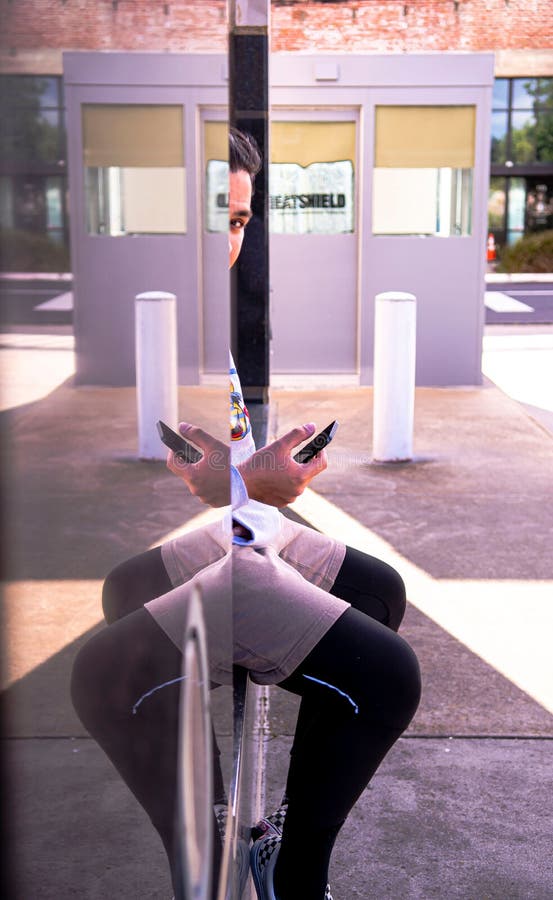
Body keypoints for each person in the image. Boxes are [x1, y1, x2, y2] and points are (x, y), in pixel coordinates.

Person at [71, 128, 421, 900]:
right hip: (244, 520)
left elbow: (224, 464)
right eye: (211, 218)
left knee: (378, 592)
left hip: (246, 520)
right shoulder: (158, 304)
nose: (226, 240)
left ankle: (267, 845)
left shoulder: (221, 306)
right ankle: (240, 867)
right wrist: (249, 493)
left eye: (236, 221)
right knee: (388, 678)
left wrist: (246, 485)